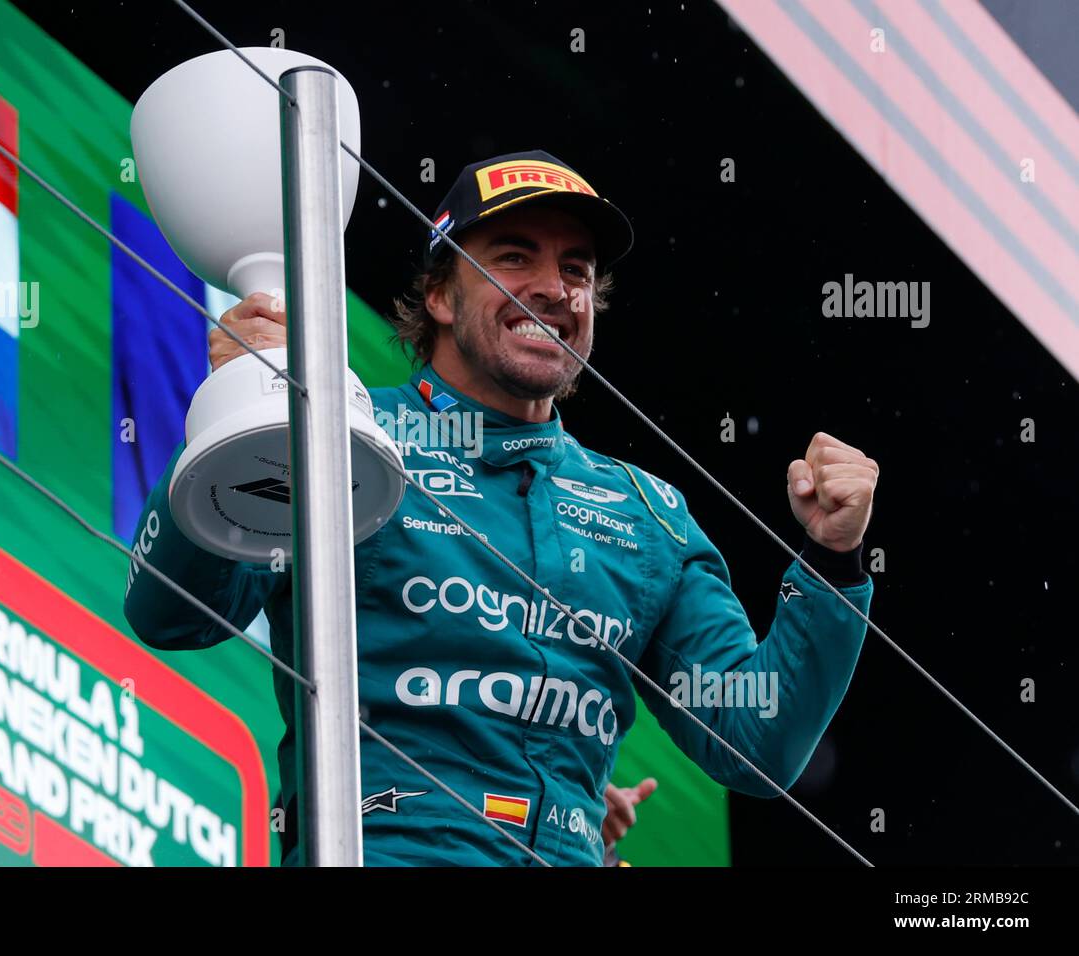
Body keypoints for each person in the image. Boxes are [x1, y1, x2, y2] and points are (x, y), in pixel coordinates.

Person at [123, 149, 880, 866]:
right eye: (514, 256)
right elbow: (174, 614)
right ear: (440, 295)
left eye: (576, 269)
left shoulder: (650, 513)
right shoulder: (340, 428)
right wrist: (239, 424)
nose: (554, 288)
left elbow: (756, 742)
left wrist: (833, 561)